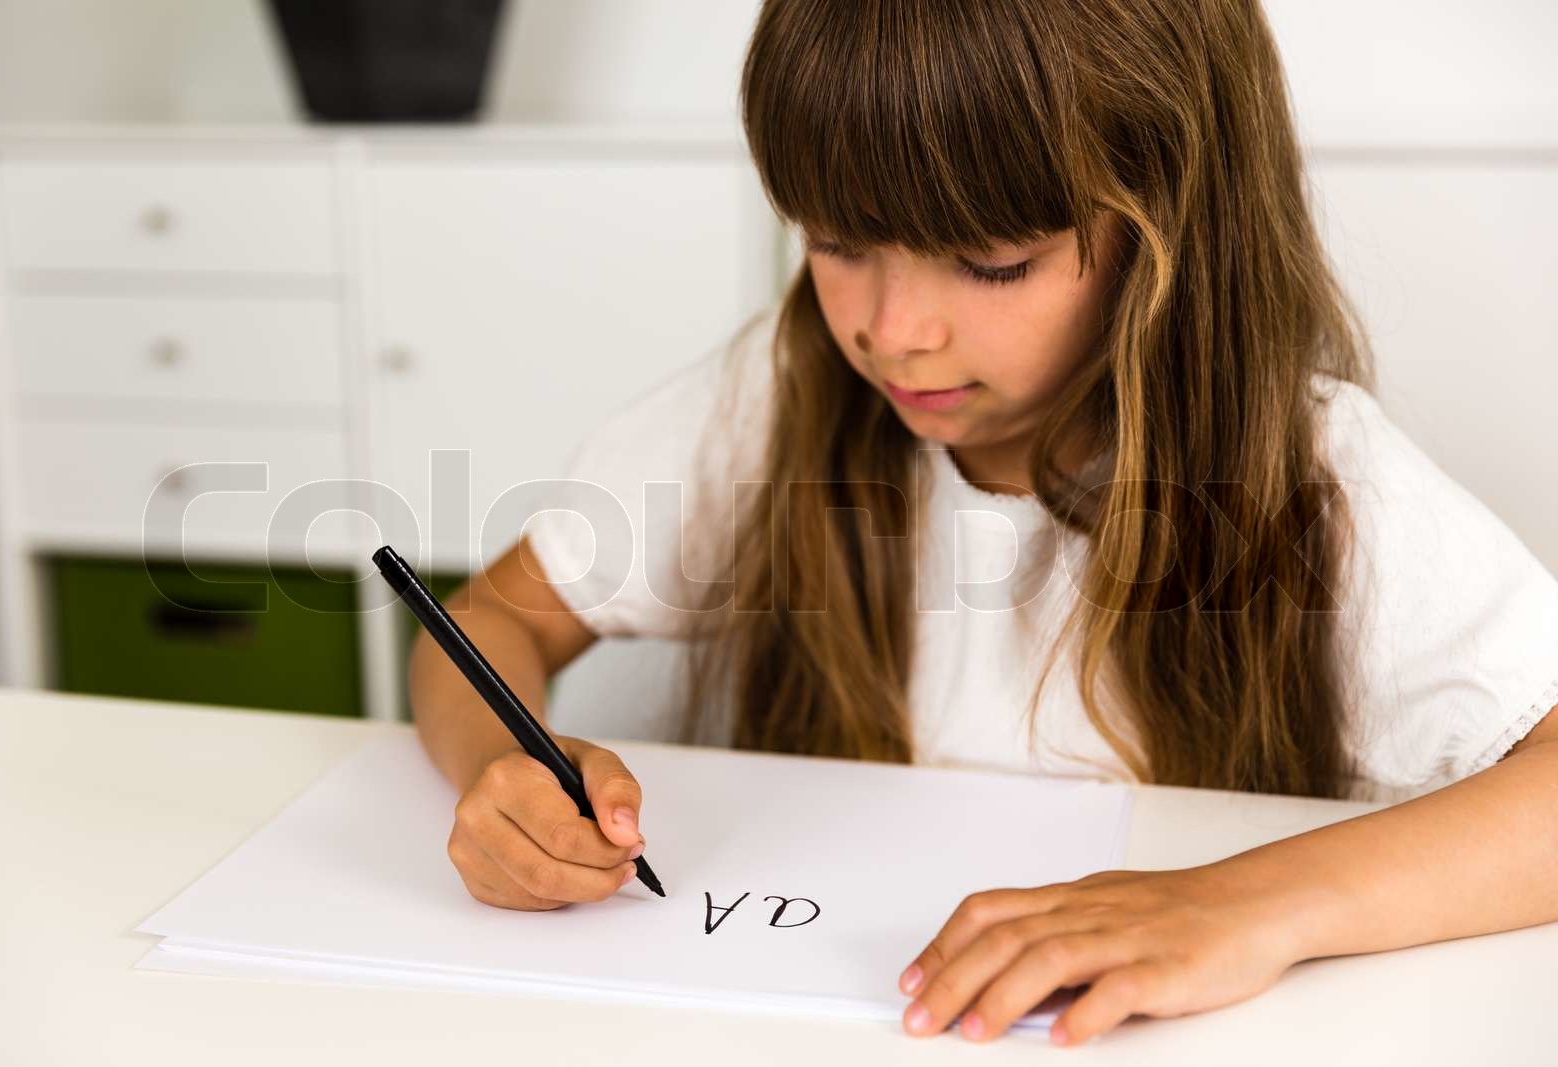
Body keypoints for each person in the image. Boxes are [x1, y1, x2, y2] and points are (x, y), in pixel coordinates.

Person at [409, 0, 1558, 1046]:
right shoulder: (783, 391)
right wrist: (505, 769)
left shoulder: (1315, 475)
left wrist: (1243, 900)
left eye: (989, 263)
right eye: (837, 242)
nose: (893, 329)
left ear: (1170, 234)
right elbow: (484, 620)